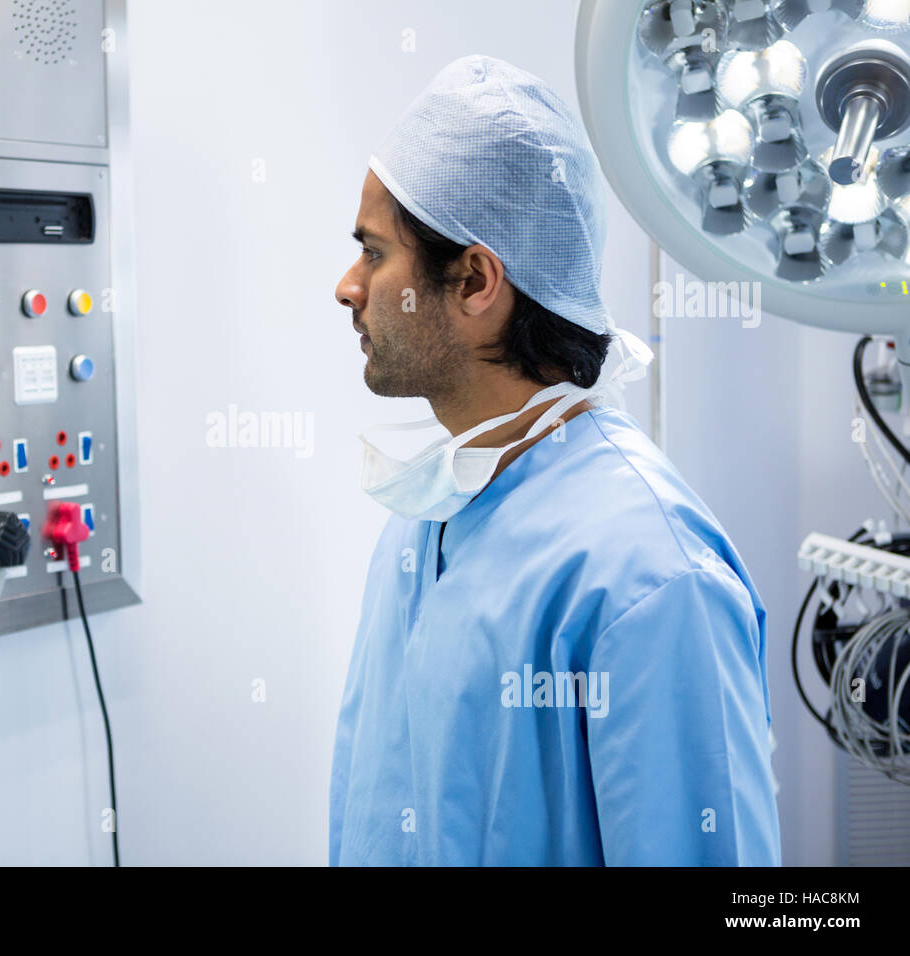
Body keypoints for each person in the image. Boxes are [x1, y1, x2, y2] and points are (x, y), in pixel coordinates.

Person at [328, 54, 781, 866]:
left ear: (474, 280)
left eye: (373, 253)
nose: (346, 286)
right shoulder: (426, 522)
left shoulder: (648, 578)